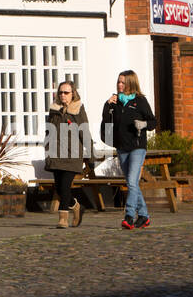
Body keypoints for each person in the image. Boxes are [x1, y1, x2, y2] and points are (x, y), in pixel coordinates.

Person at [101, 70, 157, 230]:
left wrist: (144, 124)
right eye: (118, 82)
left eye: (123, 82)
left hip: (137, 147)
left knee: (132, 182)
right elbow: (106, 121)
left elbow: (153, 122)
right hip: (122, 147)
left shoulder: (140, 101)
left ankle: (129, 215)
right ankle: (144, 216)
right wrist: (107, 104)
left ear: (130, 83)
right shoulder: (115, 102)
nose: (119, 85)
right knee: (131, 183)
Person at [45, 80, 92, 228]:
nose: (63, 95)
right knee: (59, 188)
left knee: (65, 186)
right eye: (60, 92)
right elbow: (49, 130)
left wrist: (90, 156)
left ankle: (63, 218)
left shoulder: (78, 110)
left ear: (73, 94)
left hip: (72, 154)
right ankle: (77, 206)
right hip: (56, 154)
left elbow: (85, 132)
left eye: (66, 92)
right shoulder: (54, 110)